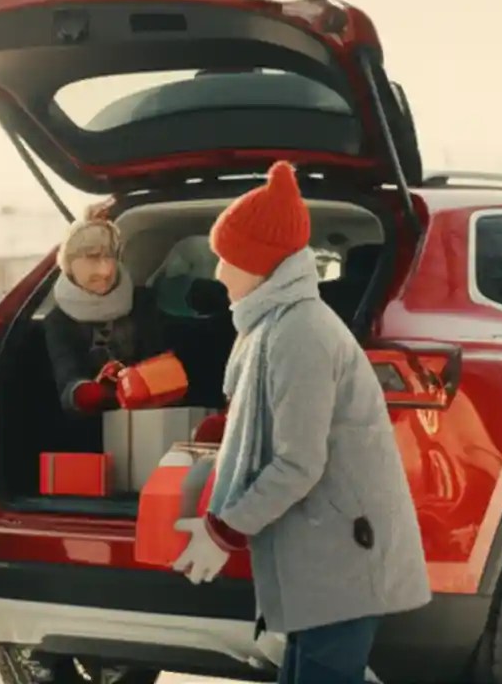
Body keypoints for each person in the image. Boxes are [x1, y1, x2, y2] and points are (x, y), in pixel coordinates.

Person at [170, 161, 432, 684]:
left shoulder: (299, 335)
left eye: (227, 259)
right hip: (321, 557)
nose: (218, 272)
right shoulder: (272, 328)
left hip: (342, 558)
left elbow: (298, 461)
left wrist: (225, 531)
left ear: (261, 263)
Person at [42, 218, 169, 416]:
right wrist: (87, 391)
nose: (105, 270)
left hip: (151, 417)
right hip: (92, 428)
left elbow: (160, 359)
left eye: (109, 256)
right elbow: (67, 375)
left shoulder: (144, 302)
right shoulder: (59, 320)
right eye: (92, 257)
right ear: (69, 263)